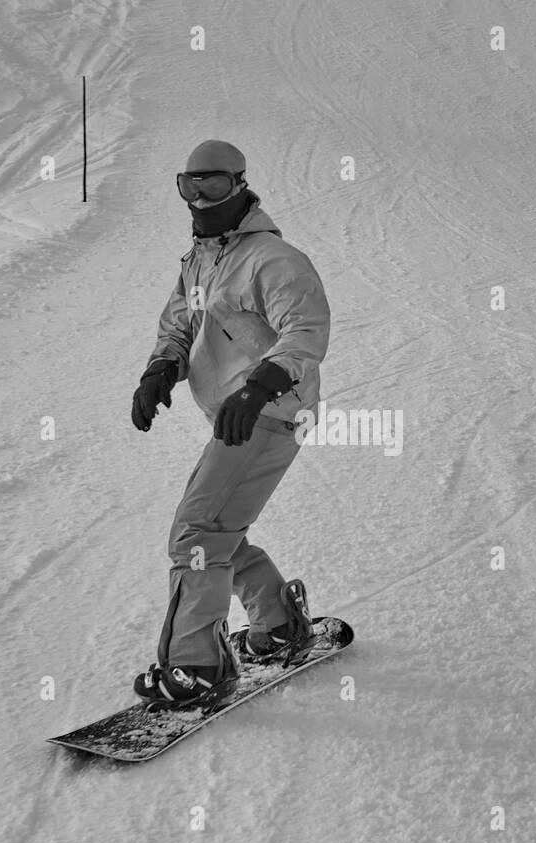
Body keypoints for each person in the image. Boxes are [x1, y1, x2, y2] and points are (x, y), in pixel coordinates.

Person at [130, 140, 331, 707]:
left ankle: (196, 666)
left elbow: (306, 331)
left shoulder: (273, 258)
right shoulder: (200, 258)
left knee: (195, 536)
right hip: (238, 415)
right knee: (214, 528)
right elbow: (178, 323)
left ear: (240, 185)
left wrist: (261, 384)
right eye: (188, 185)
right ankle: (279, 624)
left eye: (213, 184)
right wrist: (160, 370)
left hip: (272, 411)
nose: (199, 197)